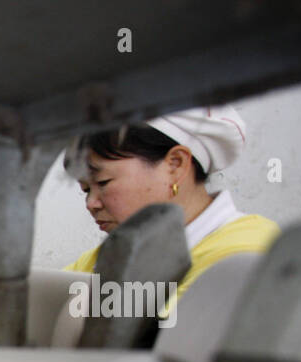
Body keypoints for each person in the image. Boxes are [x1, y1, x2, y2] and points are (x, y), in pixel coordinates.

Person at [65, 105, 279, 304]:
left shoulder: (245, 255)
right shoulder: (102, 259)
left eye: (103, 182)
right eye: (85, 189)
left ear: (175, 165)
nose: (91, 203)